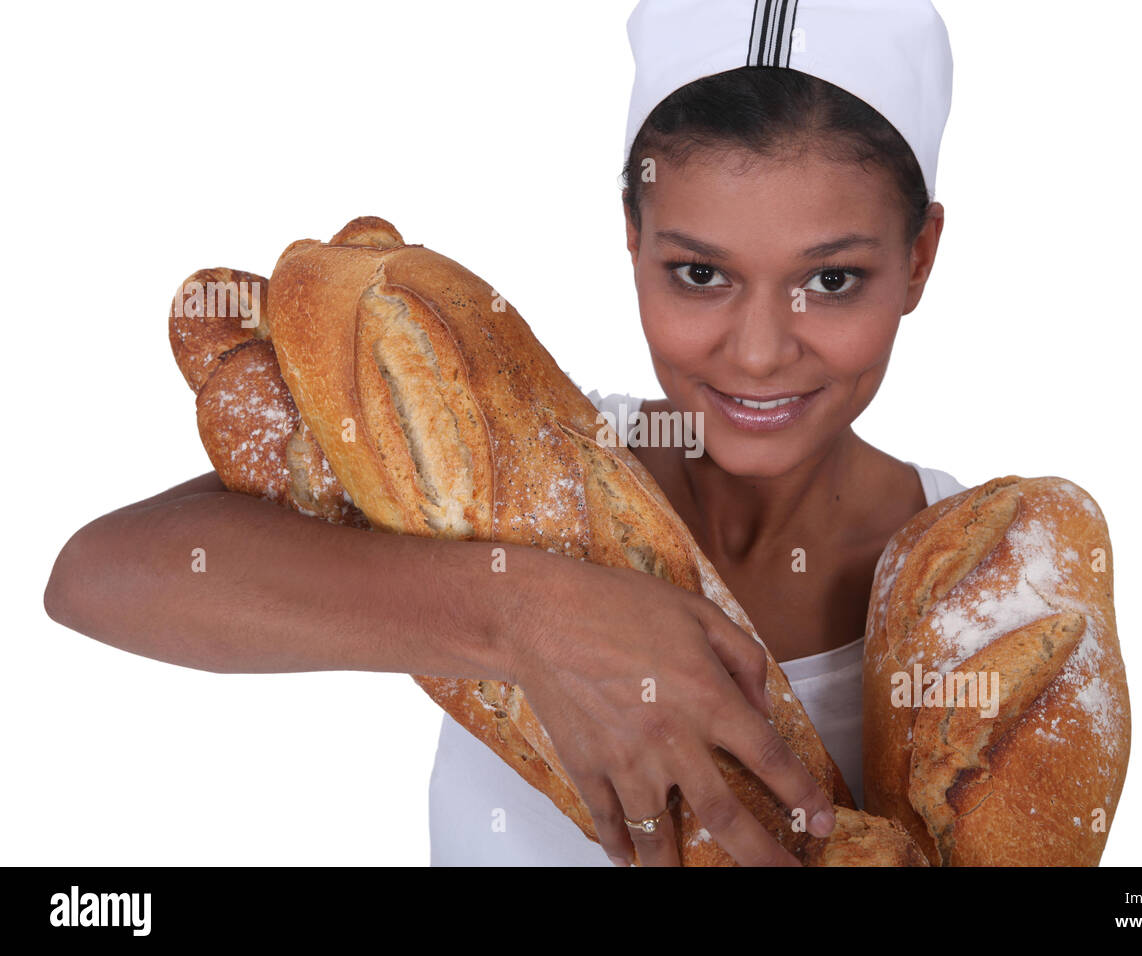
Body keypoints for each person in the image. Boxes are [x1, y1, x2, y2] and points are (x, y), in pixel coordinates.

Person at [43, 0, 966, 868]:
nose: (760, 353)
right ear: (632, 236)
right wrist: (527, 619)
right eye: (697, 273)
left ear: (918, 258)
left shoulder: (992, 582)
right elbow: (98, 575)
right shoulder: (520, 459)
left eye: (833, 281)